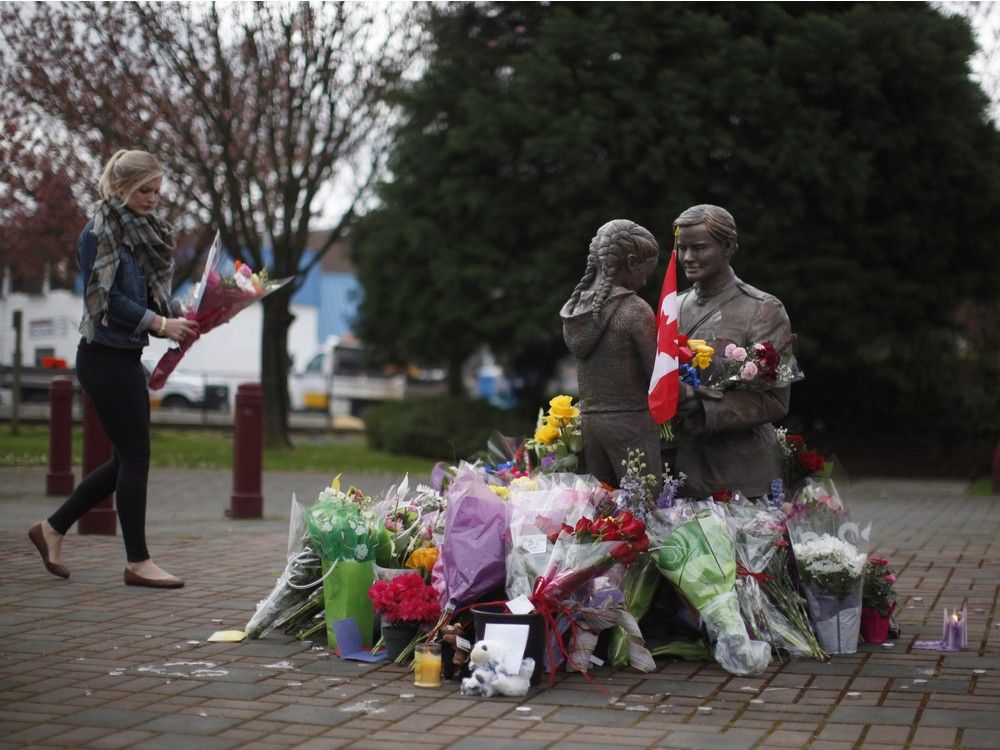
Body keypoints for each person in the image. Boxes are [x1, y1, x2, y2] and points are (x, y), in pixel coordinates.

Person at [27, 150, 198, 588]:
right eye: (145, 190)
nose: (153, 199)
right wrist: (160, 323)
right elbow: (107, 302)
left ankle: (51, 529)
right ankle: (137, 562)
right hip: (103, 358)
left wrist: (183, 315)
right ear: (122, 187)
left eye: (158, 191)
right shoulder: (98, 233)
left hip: (125, 357)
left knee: (126, 458)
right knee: (135, 457)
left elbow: (148, 300)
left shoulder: (144, 234)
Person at [672, 204, 792, 499]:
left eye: (698, 248)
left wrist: (702, 409)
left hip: (740, 472)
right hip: (681, 472)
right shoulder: (672, 308)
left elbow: (775, 400)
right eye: (681, 248)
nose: (687, 257)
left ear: (727, 246)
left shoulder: (762, 309)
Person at [560, 219, 662, 487]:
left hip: (591, 425)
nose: (646, 279)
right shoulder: (635, 310)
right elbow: (658, 377)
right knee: (645, 509)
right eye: (645, 271)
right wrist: (695, 390)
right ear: (630, 262)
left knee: (602, 509)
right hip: (632, 423)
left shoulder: (575, 311)